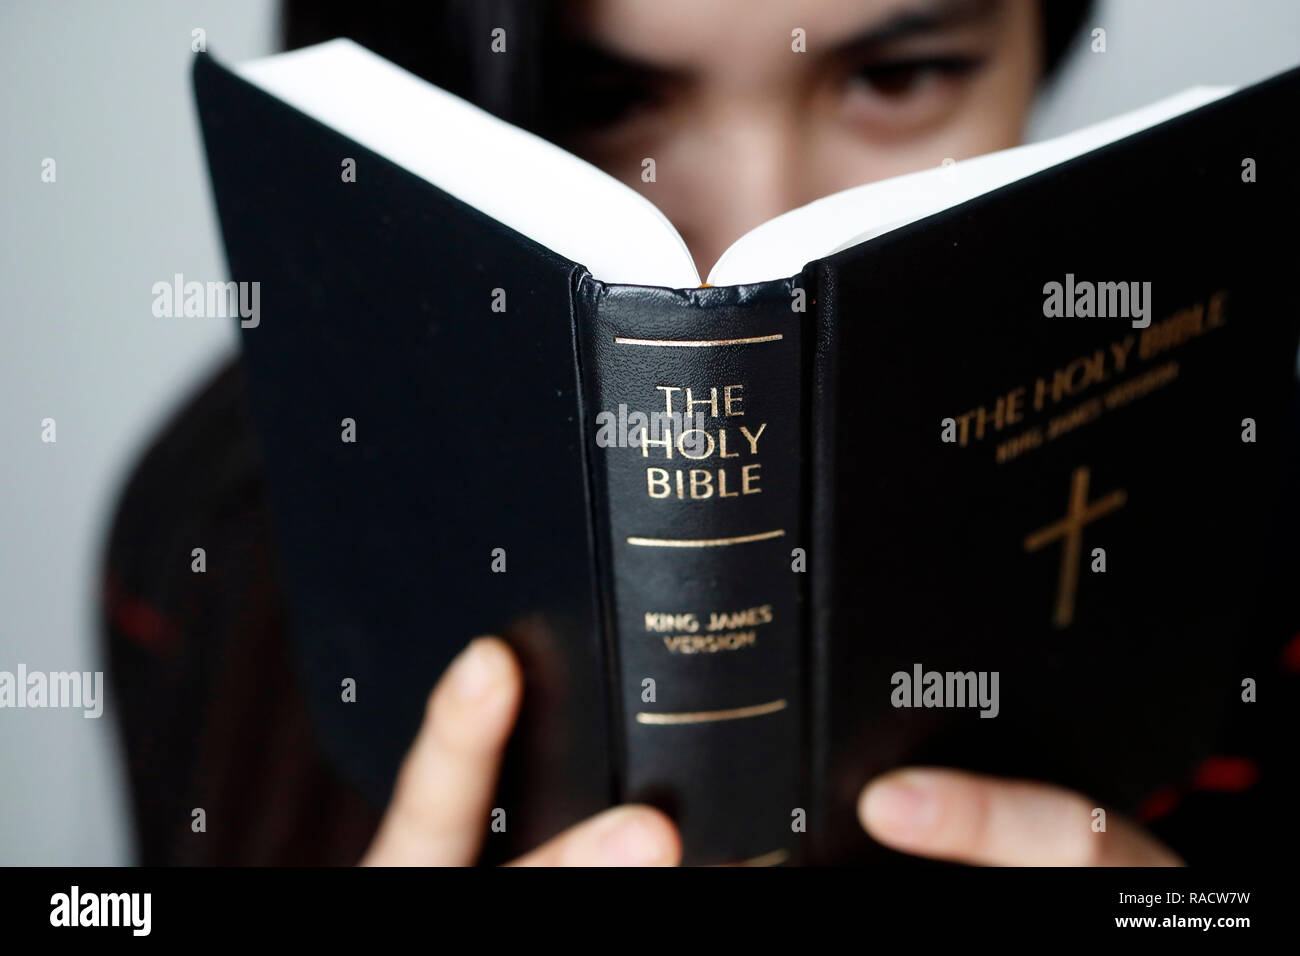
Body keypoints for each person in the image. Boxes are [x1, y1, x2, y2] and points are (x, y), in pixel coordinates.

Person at [105, 0, 1286, 866]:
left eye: (904, 74)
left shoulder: (1242, 510)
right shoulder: (216, 547)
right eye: (608, 102)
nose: (759, 240)